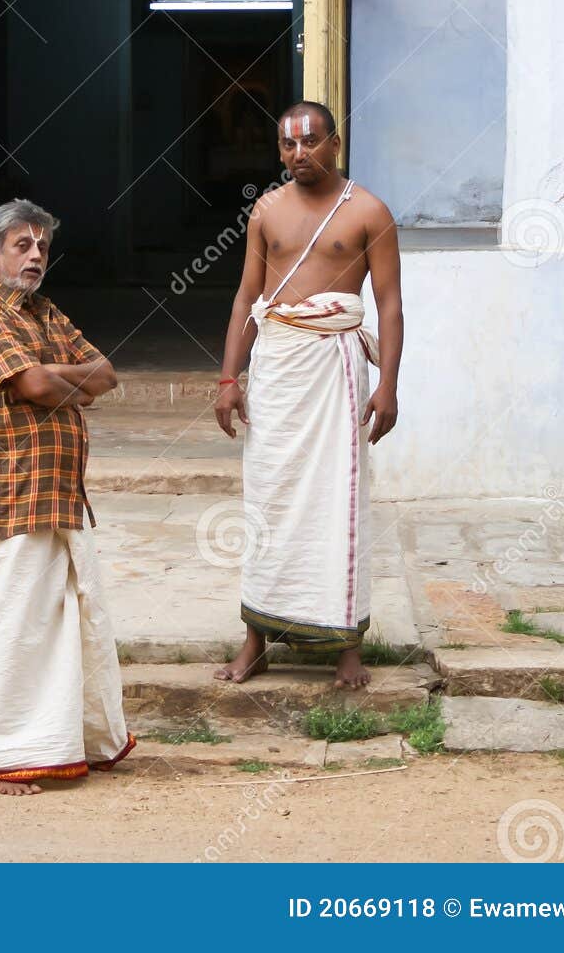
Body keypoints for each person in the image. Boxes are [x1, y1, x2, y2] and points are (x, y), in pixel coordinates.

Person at [213, 101, 402, 690]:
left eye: (311, 142)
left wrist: (389, 385)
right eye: (289, 145)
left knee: (338, 503)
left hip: (337, 371)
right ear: (278, 151)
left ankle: (348, 649)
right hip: (279, 368)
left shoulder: (369, 211)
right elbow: (248, 299)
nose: (300, 154)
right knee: (267, 498)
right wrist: (228, 379)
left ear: (335, 143)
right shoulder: (265, 212)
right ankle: (256, 641)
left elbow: (390, 304)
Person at [0, 198, 136, 794]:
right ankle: (1, 756)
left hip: (59, 493)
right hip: (17, 491)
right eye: (22, 246)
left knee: (65, 624)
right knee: (15, 626)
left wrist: (57, 376)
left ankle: (61, 744)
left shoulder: (45, 313)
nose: (34, 257)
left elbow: (107, 374)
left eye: (42, 248)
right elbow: (31, 384)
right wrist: (60, 377)